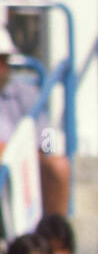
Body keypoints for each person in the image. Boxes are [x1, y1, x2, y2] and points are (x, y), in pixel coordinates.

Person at [0, 28, 72, 214]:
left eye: (3, 60)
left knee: (58, 166)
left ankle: (54, 232)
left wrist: (43, 153)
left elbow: (47, 134)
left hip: (23, 162)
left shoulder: (27, 93)